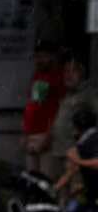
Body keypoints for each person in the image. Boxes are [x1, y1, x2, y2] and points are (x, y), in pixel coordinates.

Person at [51, 57, 98, 179]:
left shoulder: (89, 93)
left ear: (82, 73)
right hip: (59, 151)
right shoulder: (67, 94)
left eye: (73, 71)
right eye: (66, 71)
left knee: (75, 187)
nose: (69, 75)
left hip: (76, 153)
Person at [23, 44, 66, 175]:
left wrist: (49, 136)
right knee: (31, 178)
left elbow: (60, 110)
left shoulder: (59, 77)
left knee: (46, 178)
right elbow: (32, 105)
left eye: (43, 56)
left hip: (47, 136)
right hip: (31, 135)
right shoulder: (37, 76)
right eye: (37, 57)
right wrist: (25, 133)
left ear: (52, 57)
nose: (39, 60)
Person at [61, 108, 98, 212]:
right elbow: (72, 170)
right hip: (88, 193)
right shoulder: (83, 142)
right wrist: (55, 187)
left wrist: (77, 160)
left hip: (95, 196)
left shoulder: (93, 139)